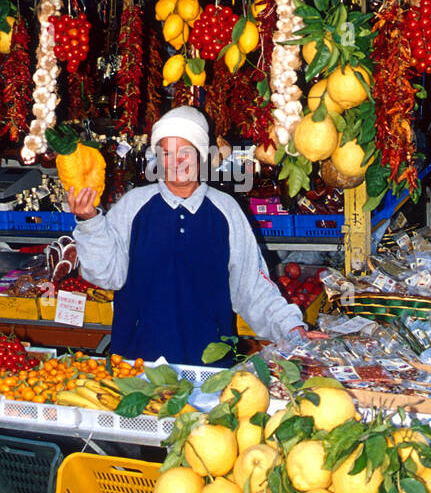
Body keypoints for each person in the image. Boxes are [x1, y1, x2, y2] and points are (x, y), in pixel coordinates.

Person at [67, 106, 320, 365]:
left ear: (201, 155)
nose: (175, 161)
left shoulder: (226, 210)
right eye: (166, 153)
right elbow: (105, 275)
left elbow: (252, 287)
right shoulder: (134, 206)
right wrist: (89, 222)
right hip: (137, 363)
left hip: (211, 364)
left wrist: (290, 328)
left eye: (185, 152)